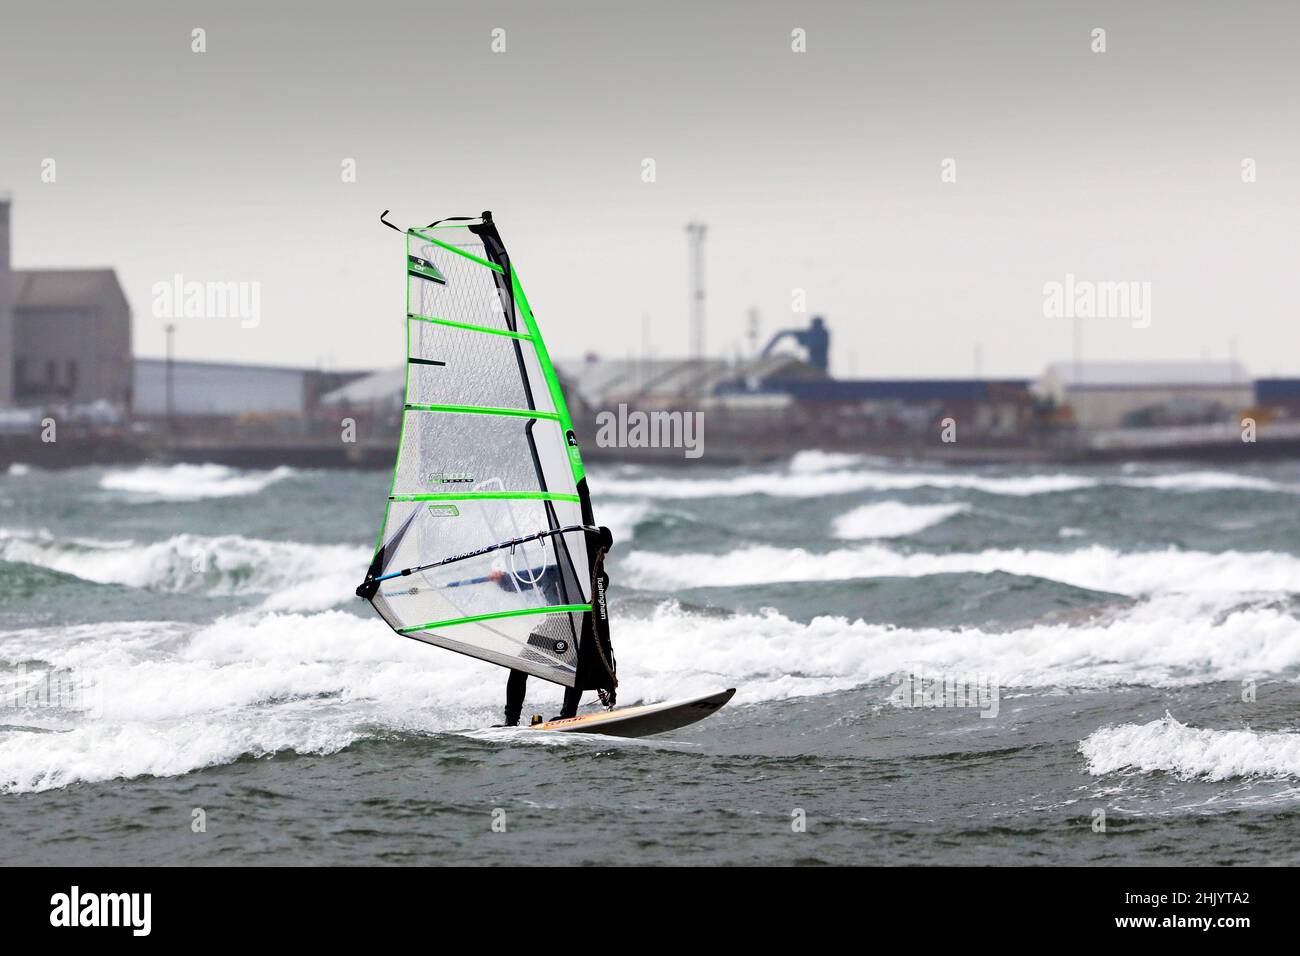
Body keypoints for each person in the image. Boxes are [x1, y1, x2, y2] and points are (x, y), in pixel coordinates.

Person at [495, 526, 615, 726]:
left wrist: (505, 580)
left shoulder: (597, 577)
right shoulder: (557, 572)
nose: (603, 558)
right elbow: (520, 581)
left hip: (569, 636)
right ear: (595, 550)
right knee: (520, 666)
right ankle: (514, 719)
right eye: (602, 552)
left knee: (576, 660)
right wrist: (502, 579)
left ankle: (559, 714)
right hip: (555, 632)